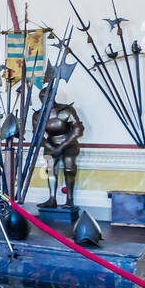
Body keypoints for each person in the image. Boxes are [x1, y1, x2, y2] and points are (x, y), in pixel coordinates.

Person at [32, 68, 84, 209]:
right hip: (50, 144)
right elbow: (37, 136)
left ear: (53, 96)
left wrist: (61, 147)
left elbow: (78, 130)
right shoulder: (38, 115)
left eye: (47, 97)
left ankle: (70, 200)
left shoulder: (66, 110)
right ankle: (52, 199)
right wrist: (50, 147)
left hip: (69, 143)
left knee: (69, 168)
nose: (44, 101)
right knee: (50, 170)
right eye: (42, 98)